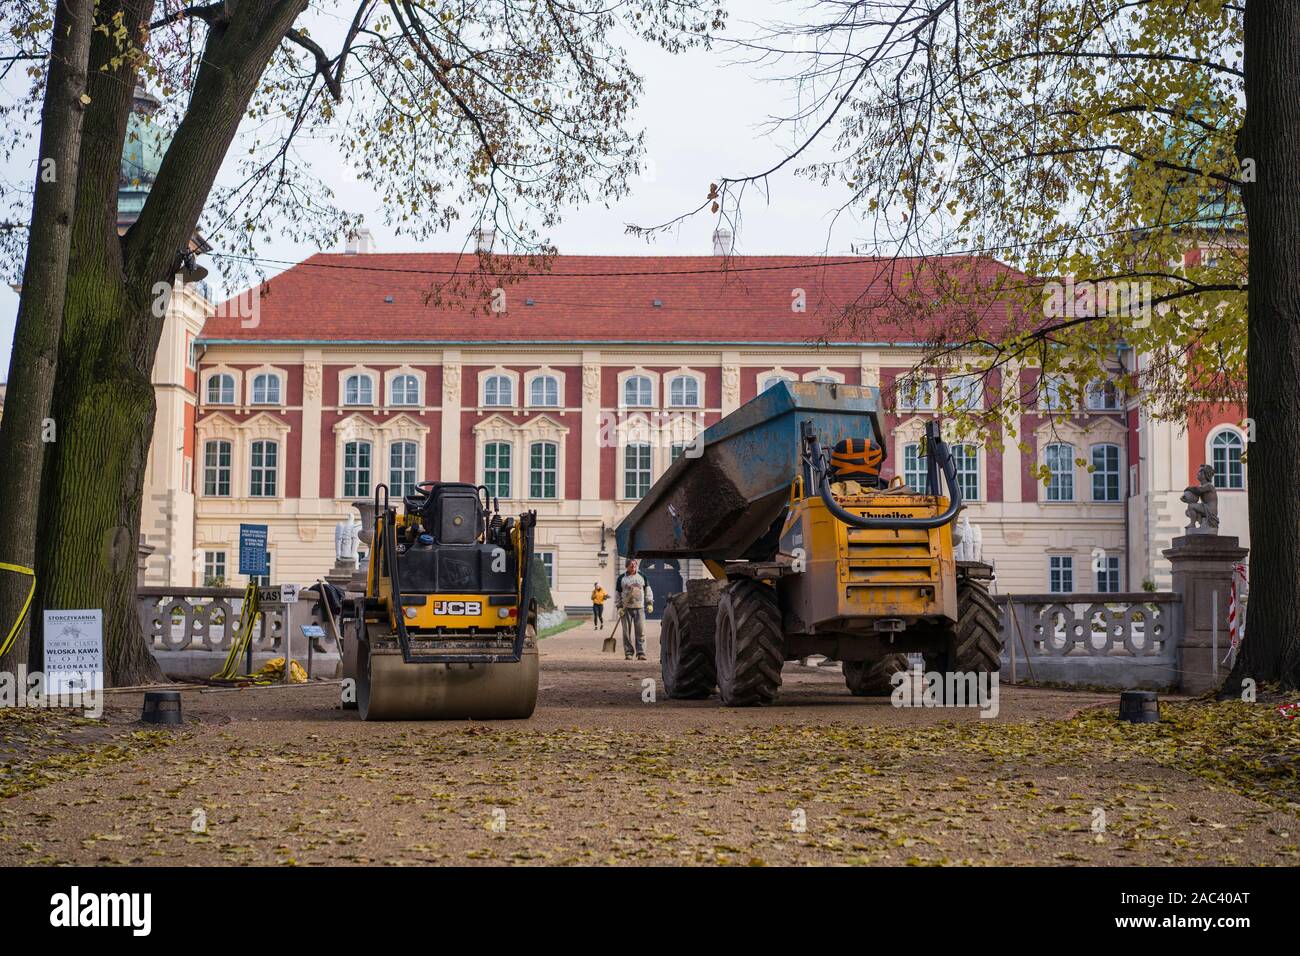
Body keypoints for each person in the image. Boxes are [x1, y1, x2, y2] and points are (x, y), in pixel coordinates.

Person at [614, 558, 654, 661]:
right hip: (626, 609)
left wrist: (649, 603)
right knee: (626, 632)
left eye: (635, 565)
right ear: (626, 566)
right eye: (631, 565)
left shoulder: (642, 576)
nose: (633, 567)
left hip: (639, 608)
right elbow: (618, 594)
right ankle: (629, 653)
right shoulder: (621, 578)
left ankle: (641, 653)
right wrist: (619, 607)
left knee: (640, 632)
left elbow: (648, 590)